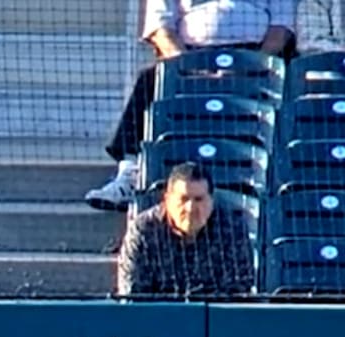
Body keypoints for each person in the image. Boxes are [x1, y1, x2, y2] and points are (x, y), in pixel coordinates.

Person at [85, 0, 297, 210]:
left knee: (291, 83)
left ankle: (286, 179)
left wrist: (251, 64)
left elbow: (281, 28)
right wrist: (189, 66)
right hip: (189, 54)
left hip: (255, 57)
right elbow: (161, 29)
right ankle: (131, 175)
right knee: (149, 81)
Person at [117, 162, 256, 295]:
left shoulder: (231, 230)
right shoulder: (144, 230)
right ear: (167, 199)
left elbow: (239, 292)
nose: (190, 208)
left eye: (199, 199)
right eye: (183, 199)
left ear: (211, 201)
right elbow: (133, 294)